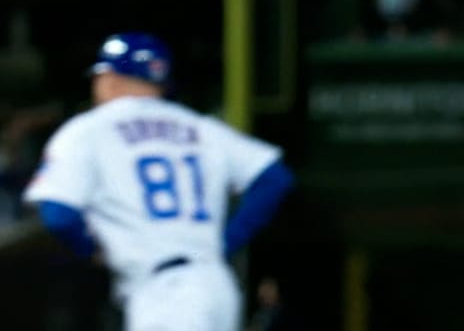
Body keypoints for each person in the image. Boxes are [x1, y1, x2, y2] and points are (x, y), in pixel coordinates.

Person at [24, 33, 295, 331]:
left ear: (109, 80)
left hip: (164, 293)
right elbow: (274, 177)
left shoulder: (88, 131)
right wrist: (226, 242)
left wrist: (91, 252)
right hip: (216, 285)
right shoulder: (201, 127)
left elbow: (59, 214)